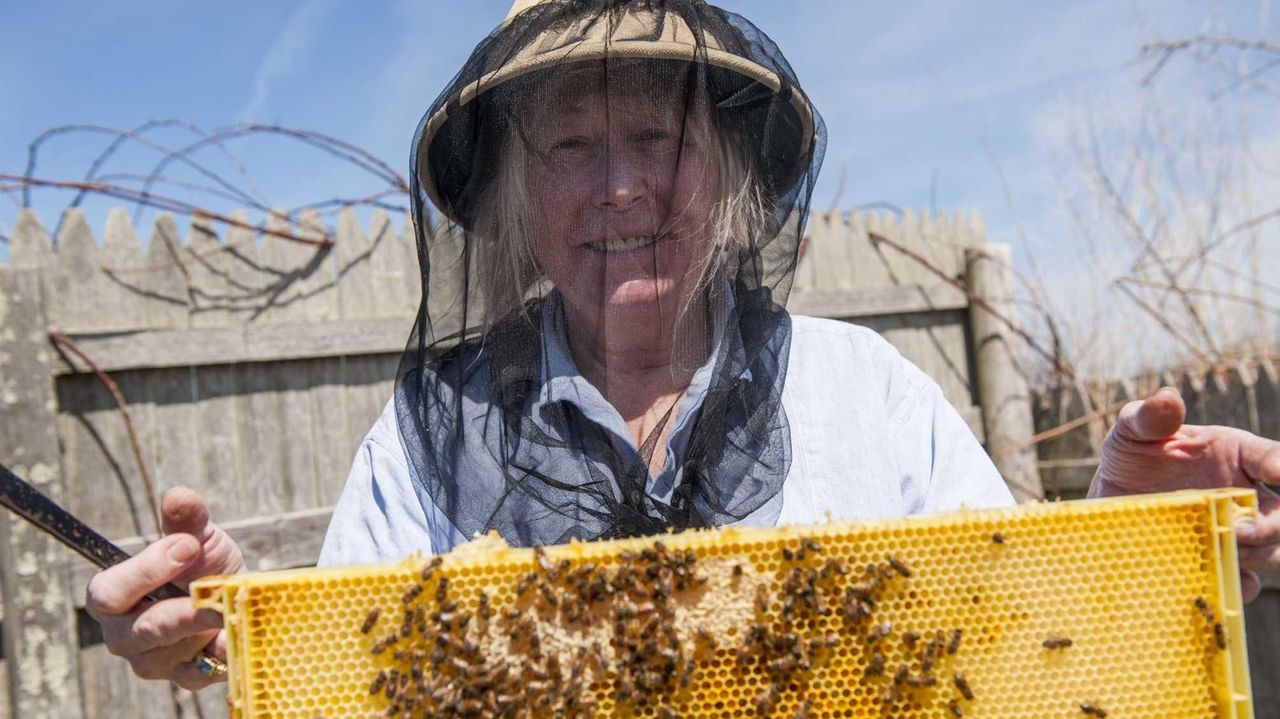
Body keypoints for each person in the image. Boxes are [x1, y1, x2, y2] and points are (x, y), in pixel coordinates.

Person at [84, 0, 1280, 693]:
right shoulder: (420, 437)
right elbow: (354, 683)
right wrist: (228, 635)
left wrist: (1133, 543)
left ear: (731, 173)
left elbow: (1029, 665)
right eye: (567, 147)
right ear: (509, 194)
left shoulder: (867, 393)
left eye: (658, 136)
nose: (619, 187)